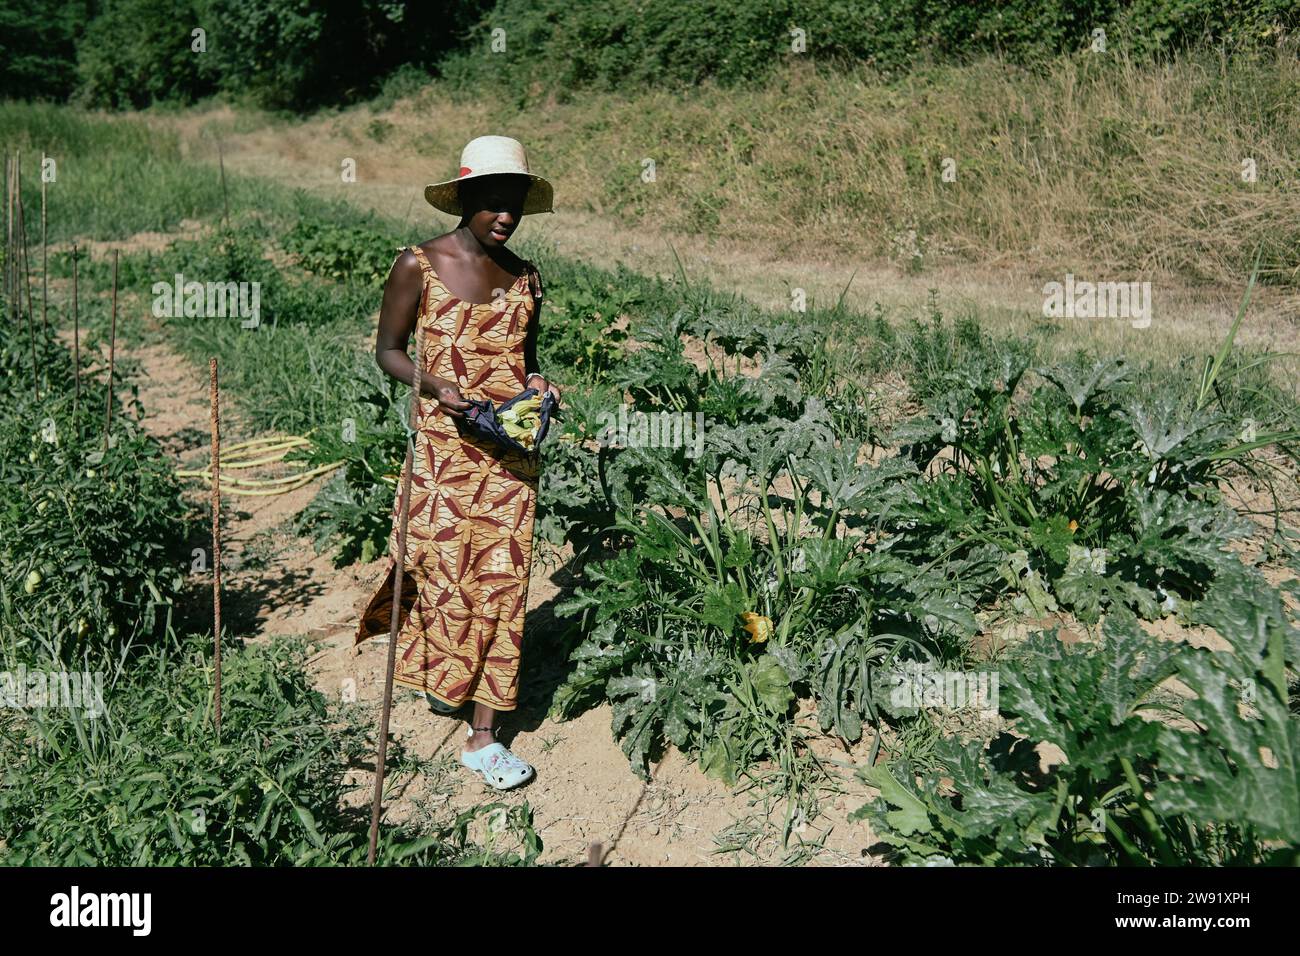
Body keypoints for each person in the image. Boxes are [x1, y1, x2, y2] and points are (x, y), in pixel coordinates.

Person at [354, 136, 558, 790]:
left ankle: (483, 737)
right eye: (493, 202)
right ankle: (444, 675)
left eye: (515, 204)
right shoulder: (419, 265)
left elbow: (523, 364)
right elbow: (387, 349)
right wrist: (435, 385)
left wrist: (540, 392)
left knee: (501, 589)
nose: (505, 216)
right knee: (442, 581)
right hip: (443, 465)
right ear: (465, 198)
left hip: (508, 465)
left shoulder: (526, 278)